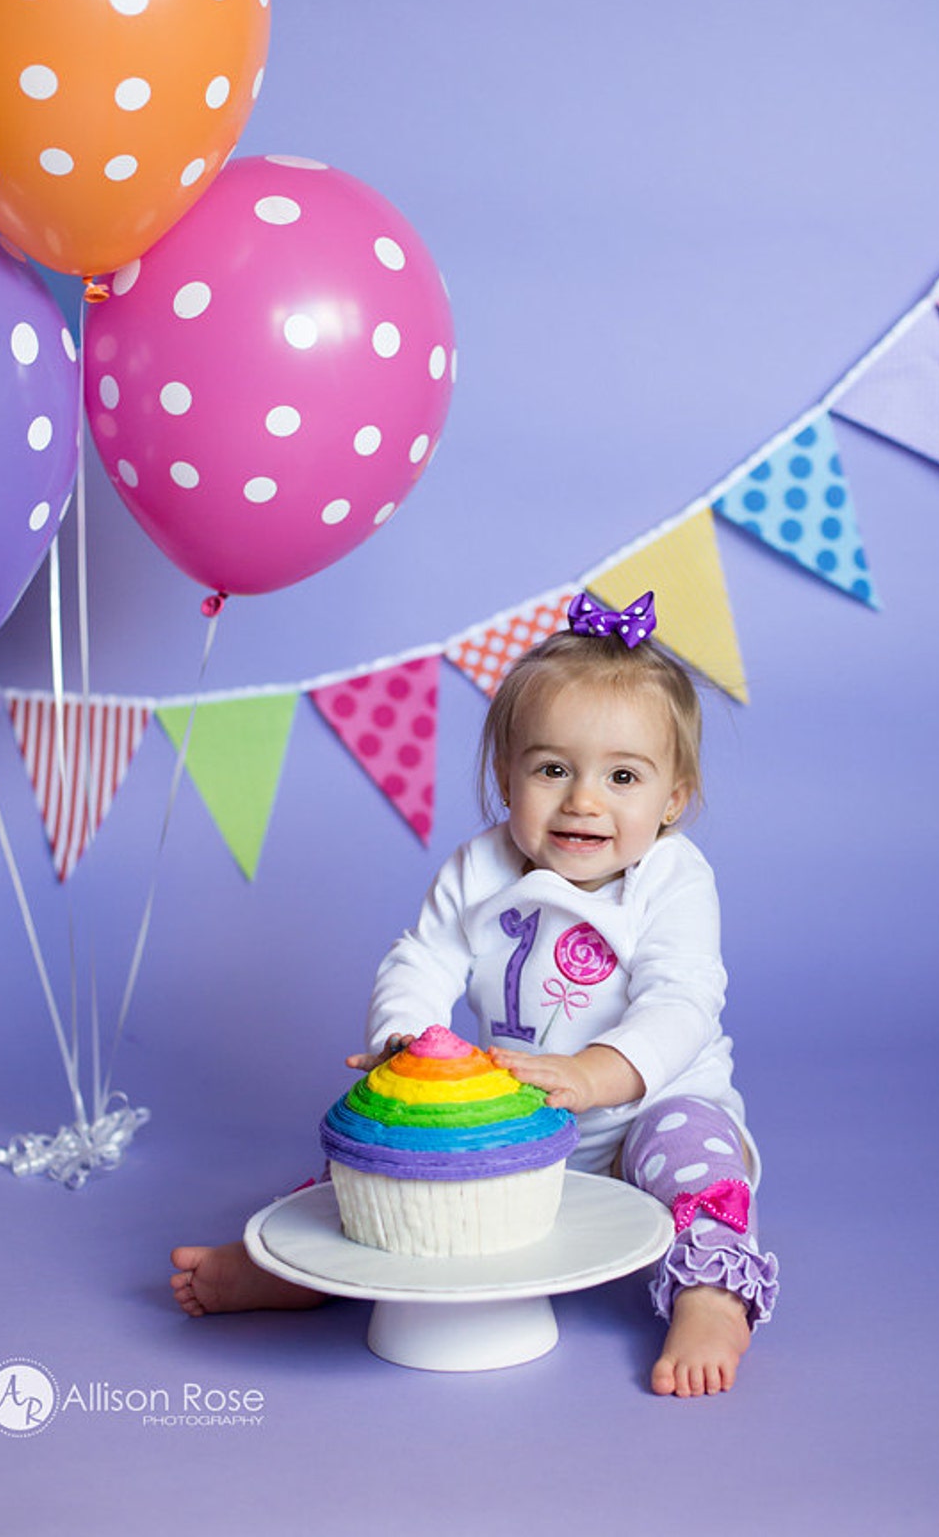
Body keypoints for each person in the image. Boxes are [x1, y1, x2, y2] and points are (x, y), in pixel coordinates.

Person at [171, 590, 778, 1397]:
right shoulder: (480, 867)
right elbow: (421, 959)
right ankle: (293, 1268)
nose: (584, 800)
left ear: (672, 799)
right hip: (515, 1115)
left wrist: (598, 1073)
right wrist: (407, 1042)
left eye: (622, 776)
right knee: (378, 1166)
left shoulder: (671, 878)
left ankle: (712, 1296)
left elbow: (683, 1000)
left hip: (646, 1105)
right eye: (552, 769)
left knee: (695, 1153)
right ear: (506, 777)